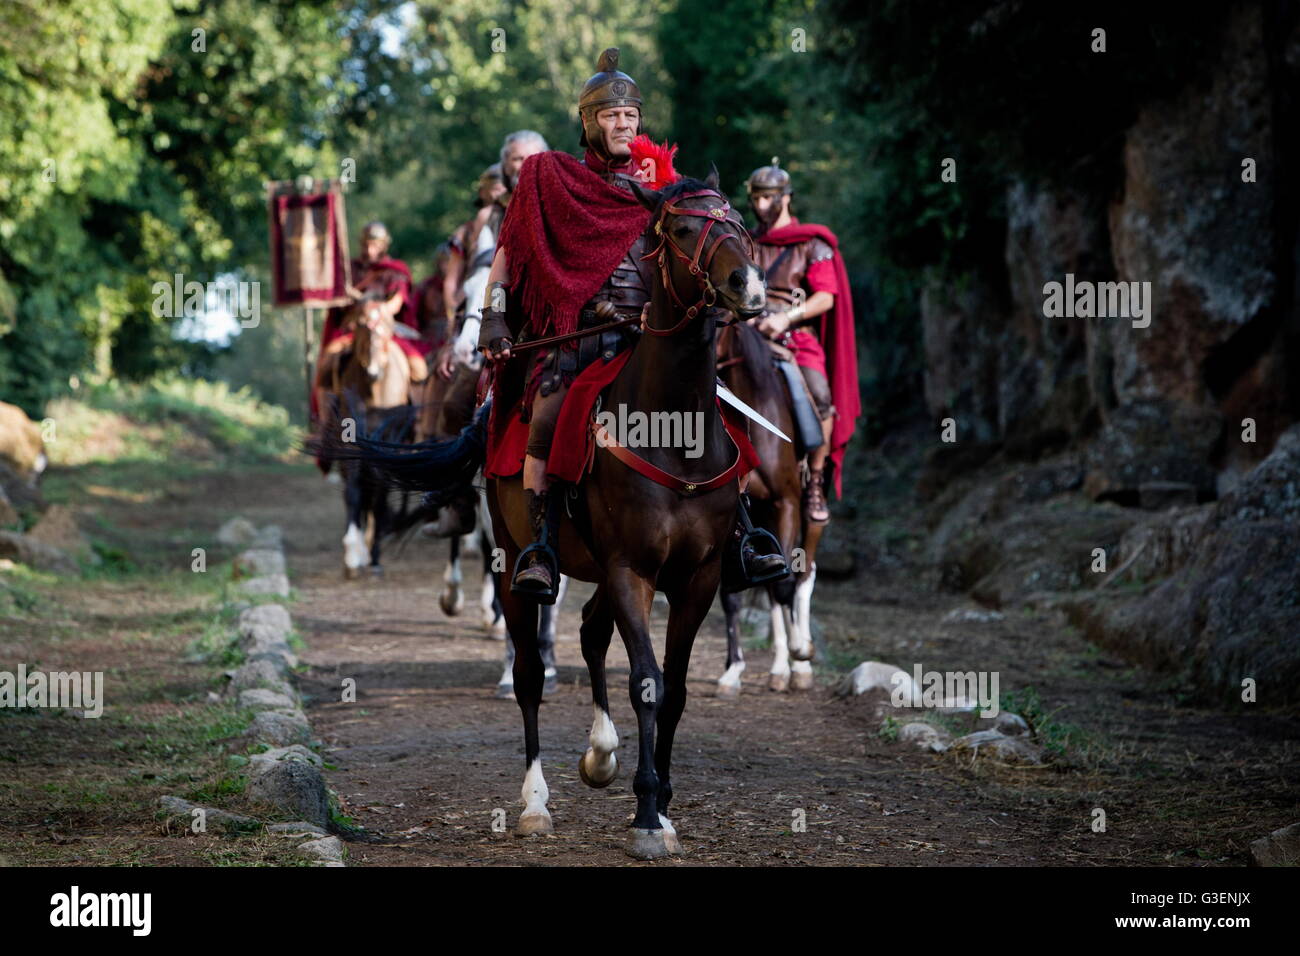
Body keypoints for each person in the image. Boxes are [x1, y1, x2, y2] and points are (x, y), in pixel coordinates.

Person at [477, 48, 785, 597]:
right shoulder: (555, 178)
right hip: (580, 339)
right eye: (611, 116)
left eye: (631, 115)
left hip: (652, 340)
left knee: (715, 415)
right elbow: (509, 255)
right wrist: (494, 319)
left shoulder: (666, 186)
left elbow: (696, 256)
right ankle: (541, 547)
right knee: (549, 415)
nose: (623, 124)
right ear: (589, 123)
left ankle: (742, 534)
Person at [745, 158, 860, 519]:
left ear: (786, 198)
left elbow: (826, 296)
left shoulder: (812, 243)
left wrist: (785, 317)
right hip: (746, 334)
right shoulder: (745, 242)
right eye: (756, 198)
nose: (761, 206)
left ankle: (814, 481)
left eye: (768, 198)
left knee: (820, 396)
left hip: (794, 337)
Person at [312, 221, 428, 437]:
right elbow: (336, 302)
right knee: (328, 358)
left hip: (384, 330)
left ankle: (418, 423)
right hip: (353, 329)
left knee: (418, 365)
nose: (369, 249)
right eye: (366, 244)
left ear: (383, 245)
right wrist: (343, 293)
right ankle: (326, 423)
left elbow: (397, 302)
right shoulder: (349, 270)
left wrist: (376, 309)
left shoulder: (394, 271)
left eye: (374, 244)